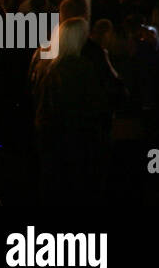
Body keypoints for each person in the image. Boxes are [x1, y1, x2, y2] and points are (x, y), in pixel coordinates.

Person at [35, 17, 110, 205]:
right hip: (76, 138)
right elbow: (93, 104)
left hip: (53, 137)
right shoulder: (80, 68)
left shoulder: (49, 66)